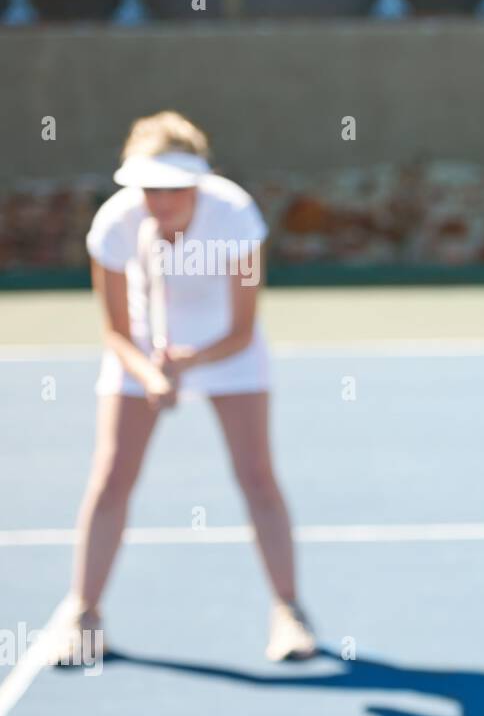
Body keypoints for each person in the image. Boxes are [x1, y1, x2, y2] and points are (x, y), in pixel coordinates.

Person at [52, 110, 316, 665]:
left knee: (257, 477)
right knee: (110, 477)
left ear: (197, 180)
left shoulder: (236, 216)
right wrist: (151, 373)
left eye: (172, 187)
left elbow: (243, 329)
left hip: (228, 351)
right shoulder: (116, 223)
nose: (159, 199)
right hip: (143, 353)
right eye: (148, 187)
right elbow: (115, 331)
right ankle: (85, 616)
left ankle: (288, 611)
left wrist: (189, 362)